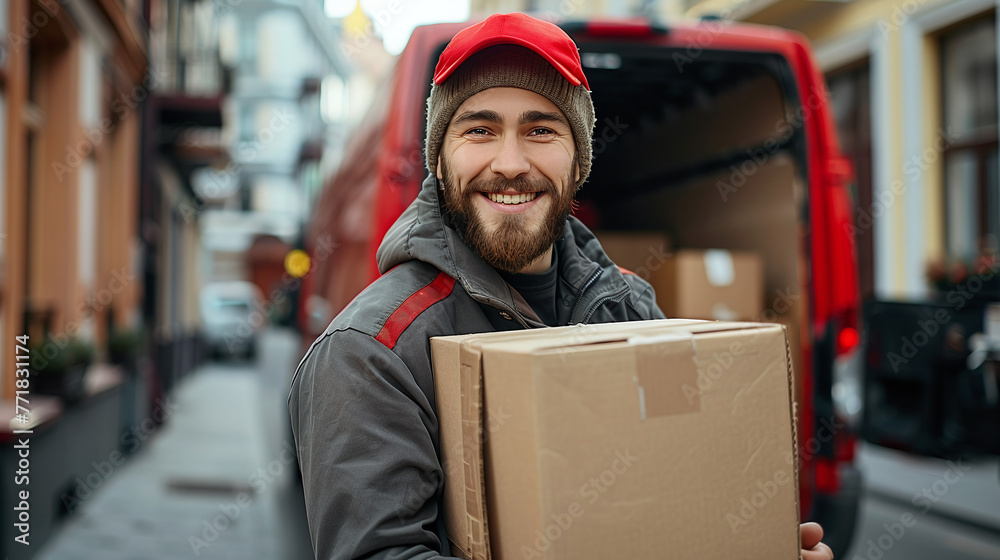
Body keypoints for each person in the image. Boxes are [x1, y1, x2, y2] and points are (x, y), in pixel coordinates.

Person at [288, 12, 834, 560]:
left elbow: (681, 487)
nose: (509, 163)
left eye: (540, 130)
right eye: (479, 130)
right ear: (437, 158)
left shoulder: (631, 306)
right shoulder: (370, 352)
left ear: (578, 162)